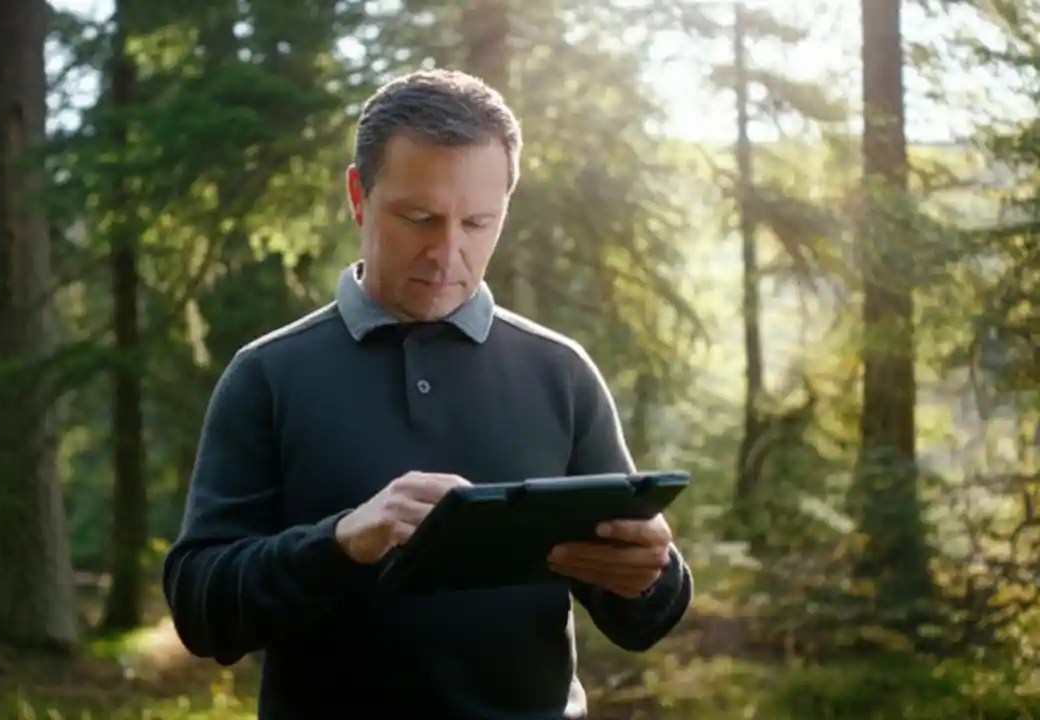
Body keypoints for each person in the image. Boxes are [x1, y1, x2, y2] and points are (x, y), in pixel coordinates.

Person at [162, 68, 692, 719]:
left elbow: (643, 618)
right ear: (358, 196)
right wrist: (340, 543)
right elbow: (201, 610)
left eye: (478, 223)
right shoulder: (268, 376)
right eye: (419, 218)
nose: (448, 253)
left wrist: (653, 574)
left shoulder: (561, 372)